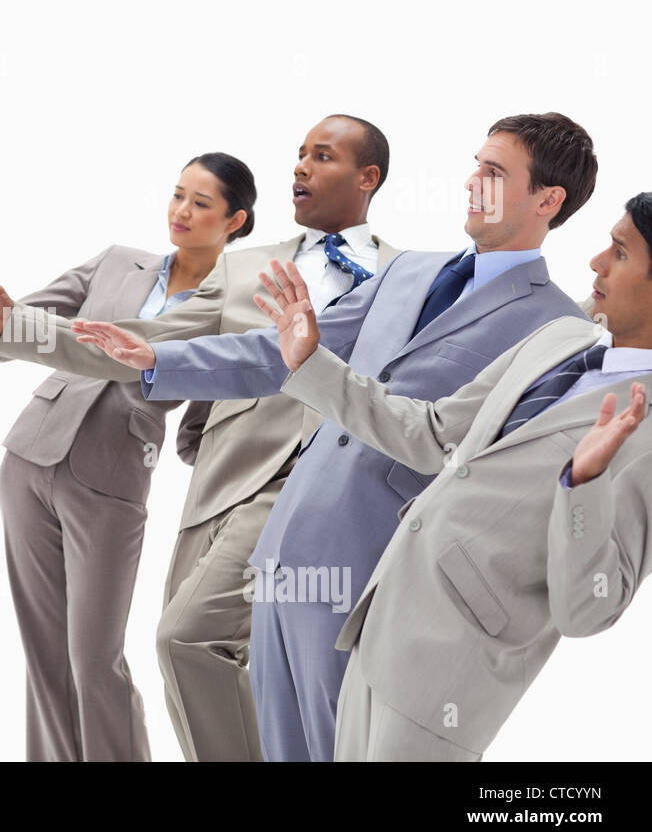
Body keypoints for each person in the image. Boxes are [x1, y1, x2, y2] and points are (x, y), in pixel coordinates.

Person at [0, 112, 597, 760]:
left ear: (547, 199)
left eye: (493, 172)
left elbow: (475, 464)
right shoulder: (409, 272)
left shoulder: (552, 328)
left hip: (375, 569)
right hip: (289, 539)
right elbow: (279, 354)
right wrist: (157, 360)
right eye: (476, 164)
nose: (472, 181)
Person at [0, 115, 399, 761]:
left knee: (315, 669)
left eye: (322, 156)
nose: (301, 168)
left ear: (367, 177)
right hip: (236, 489)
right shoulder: (242, 273)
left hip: (348, 484)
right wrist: (15, 329)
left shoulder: (410, 279)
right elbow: (131, 347)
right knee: (178, 645)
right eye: (299, 155)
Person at [0, 153, 253, 760]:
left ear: (235, 221)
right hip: (30, 457)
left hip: (115, 481)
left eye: (201, 203)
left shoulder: (232, 307)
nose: (181, 213)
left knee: (95, 662)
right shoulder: (118, 262)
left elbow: (207, 423)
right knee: (45, 656)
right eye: (176, 195)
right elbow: (11, 325)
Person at [258, 192, 652, 760]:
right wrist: (310, 363)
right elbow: (432, 433)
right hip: (379, 623)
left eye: (619, 251)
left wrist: (583, 486)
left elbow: (590, 607)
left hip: (451, 677)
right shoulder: (562, 340)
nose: (596, 262)